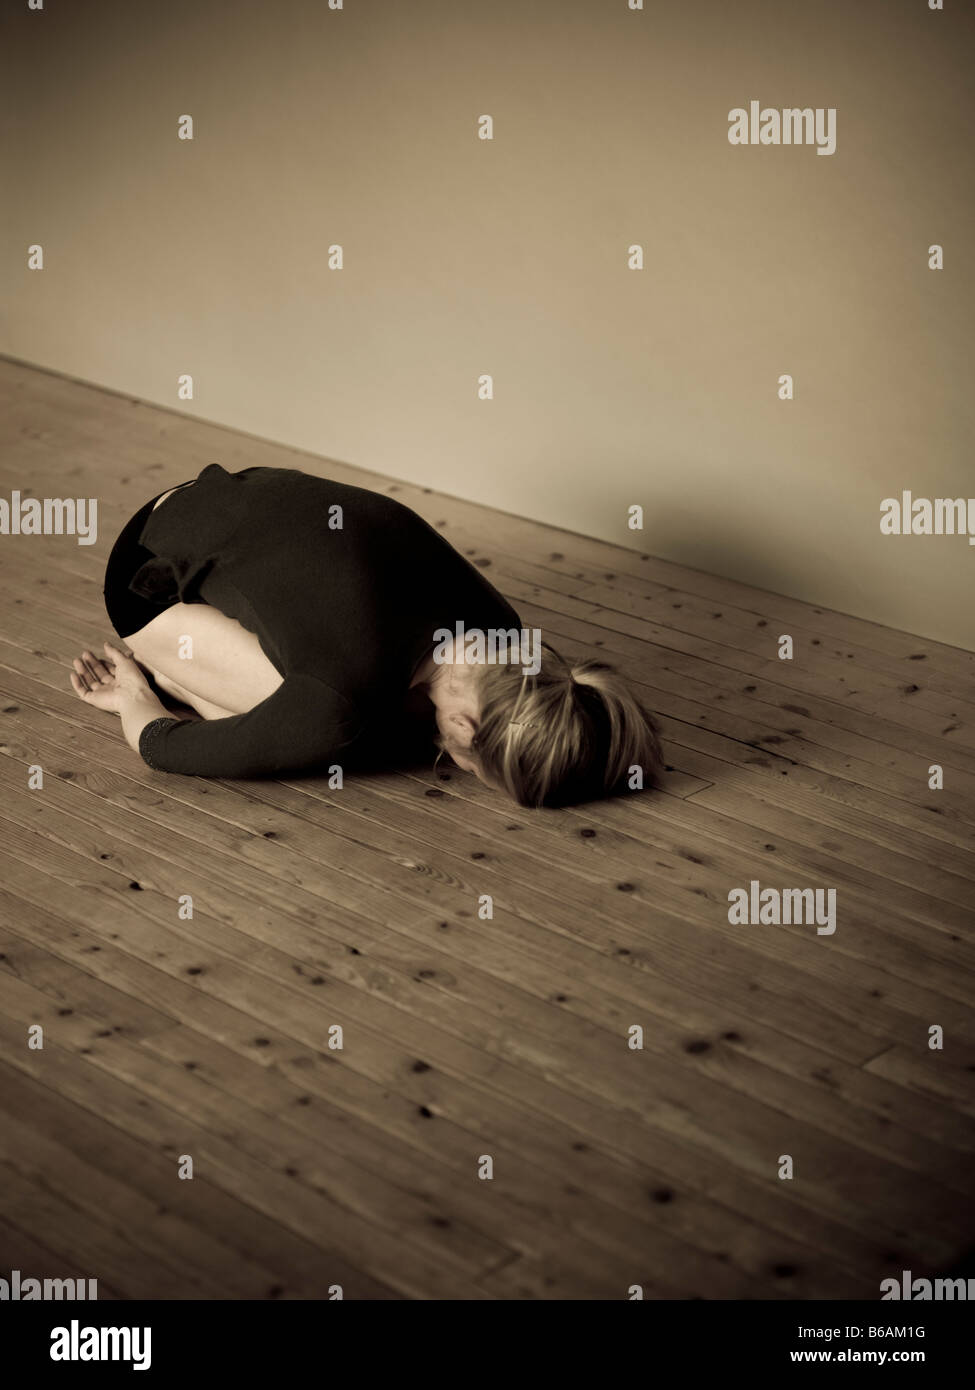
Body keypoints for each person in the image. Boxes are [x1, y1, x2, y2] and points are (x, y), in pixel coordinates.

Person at [70, 463, 663, 807]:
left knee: (365, 720)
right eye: (475, 770)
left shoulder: (509, 637)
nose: (457, 767)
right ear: (461, 728)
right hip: (152, 568)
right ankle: (172, 663)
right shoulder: (338, 700)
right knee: (350, 739)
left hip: (230, 495)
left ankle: (213, 661)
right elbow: (165, 748)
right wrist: (135, 700)